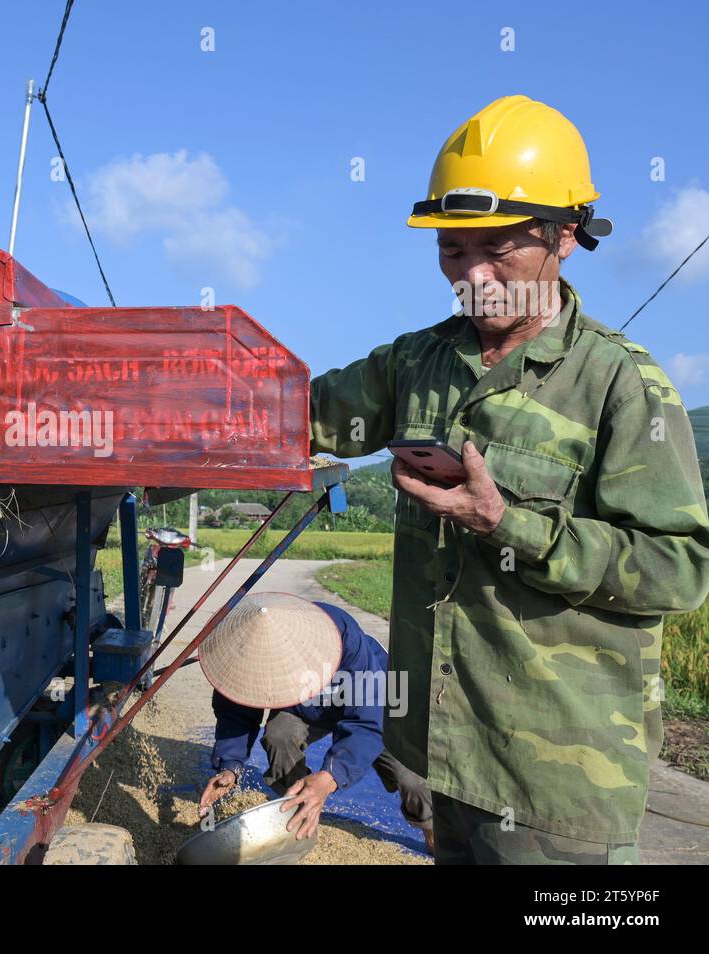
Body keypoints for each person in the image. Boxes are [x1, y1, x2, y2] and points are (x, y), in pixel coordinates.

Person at [308, 95, 709, 863]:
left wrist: (509, 524)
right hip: (442, 757)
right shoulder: (416, 364)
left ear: (566, 236)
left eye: (499, 249)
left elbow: (681, 570)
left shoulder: (622, 386)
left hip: (557, 786)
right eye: (454, 252)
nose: (475, 276)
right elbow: (299, 415)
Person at [198, 592, 433, 850]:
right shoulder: (244, 651)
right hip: (305, 704)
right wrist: (230, 765)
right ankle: (297, 812)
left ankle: (431, 829)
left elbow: (368, 721)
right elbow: (236, 710)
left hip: (375, 701)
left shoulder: (341, 635)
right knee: (279, 736)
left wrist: (331, 775)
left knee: (412, 779)